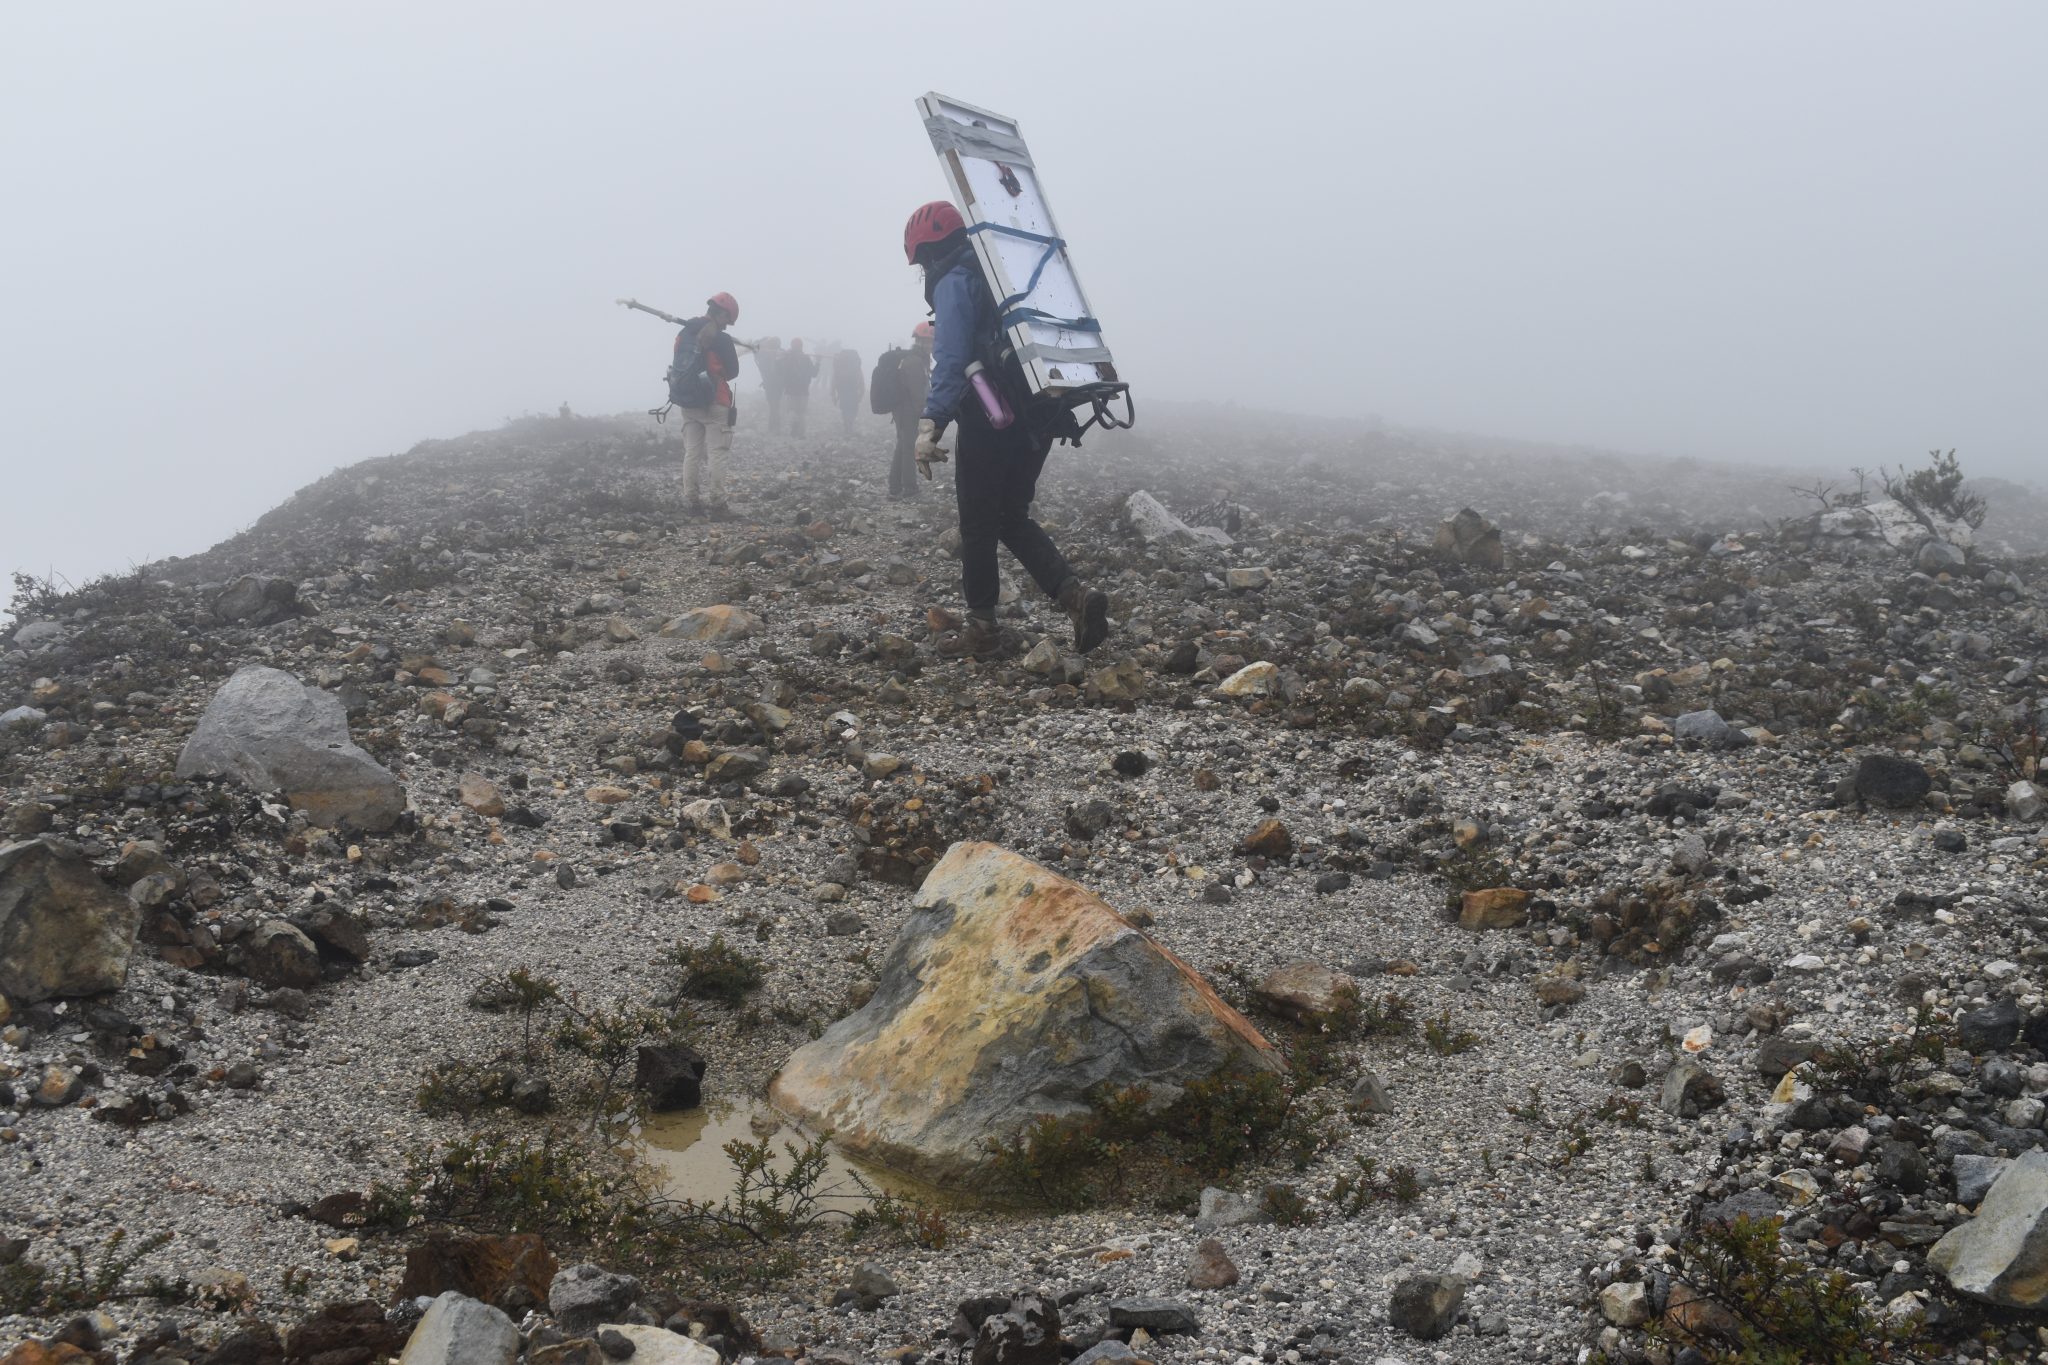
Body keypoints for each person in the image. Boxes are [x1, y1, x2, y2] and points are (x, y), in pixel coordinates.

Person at [902, 201, 1108, 657]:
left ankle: (982, 629)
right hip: (1041, 411)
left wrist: (931, 423)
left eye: (921, 264)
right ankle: (1075, 597)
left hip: (991, 415)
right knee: (1012, 516)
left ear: (930, 253)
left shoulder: (956, 280)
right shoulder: (1007, 275)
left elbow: (952, 356)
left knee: (977, 524)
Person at [676, 292, 741, 517]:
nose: (726, 326)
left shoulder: (684, 332)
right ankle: (717, 503)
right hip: (716, 401)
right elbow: (733, 371)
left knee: (691, 452)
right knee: (717, 452)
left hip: (687, 401)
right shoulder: (721, 339)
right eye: (728, 320)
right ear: (722, 314)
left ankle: (691, 501)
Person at [888, 322, 933, 499]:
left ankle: (895, 487)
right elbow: (916, 393)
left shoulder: (917, 359)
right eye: (928, 342)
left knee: (902, 446)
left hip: (904, 410)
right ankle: (910, 488)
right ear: (919, 342)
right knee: (908, 448)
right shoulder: (915, 362)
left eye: (932, 342)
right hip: (908, 411)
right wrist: (923, 415)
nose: (931, 345)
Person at [780, 338, 816, 438]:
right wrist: (819, 362)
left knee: (792, 411)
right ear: (801, 347)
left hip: (791, 390)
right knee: (801, 412)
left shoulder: (787, 358)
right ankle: (801, 433)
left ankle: (794, 431)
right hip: (803, 390)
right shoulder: (806, 358)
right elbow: (814, 373)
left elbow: (781, 372)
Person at [752, 336, 785, 433]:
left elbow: (755, 349)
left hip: (771, 383)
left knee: (773, 405)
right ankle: (775, 427)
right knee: (775, 405)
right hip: (776, 384)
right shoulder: (772, 354)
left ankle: (773, 427)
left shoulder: (764, 355)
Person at [831, 345, 864, 435]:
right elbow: (861, 381)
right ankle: (850, 424)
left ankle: (846, 425)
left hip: (842, 390)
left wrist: (833, 395)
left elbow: (834, 381)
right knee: (853, 408)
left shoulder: (839, 367)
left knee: (845, 408)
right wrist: (861, 394)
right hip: (853, 390)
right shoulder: (856, 367)